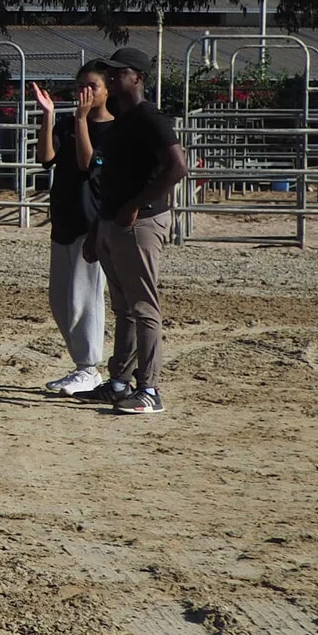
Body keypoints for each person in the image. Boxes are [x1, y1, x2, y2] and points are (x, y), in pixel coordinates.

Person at [92, 45, 188, 415]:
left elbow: (177, 166)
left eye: (121, 72)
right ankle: (121, 382)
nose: (113, 78)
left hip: (140, 222)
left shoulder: (150, 117)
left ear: (140, 77)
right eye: (111, 73)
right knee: (125, 308)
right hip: (115, 222)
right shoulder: (123, 117)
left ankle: (149, 389)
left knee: (144, 306)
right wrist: (97, 227)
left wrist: (136, 204)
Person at [31, 63, 114, 395]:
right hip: (63, 218)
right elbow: (46, 157)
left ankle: (89, 367)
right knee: (59, 299)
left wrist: (81, 120)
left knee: (84, 298)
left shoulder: (112, 129)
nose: (84, 91)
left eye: (91, 86)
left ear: (107, 90)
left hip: (90, 223)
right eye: (80, 85)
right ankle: (83, 364)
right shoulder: (68, 123)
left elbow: (86, 162)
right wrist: (49, 115)